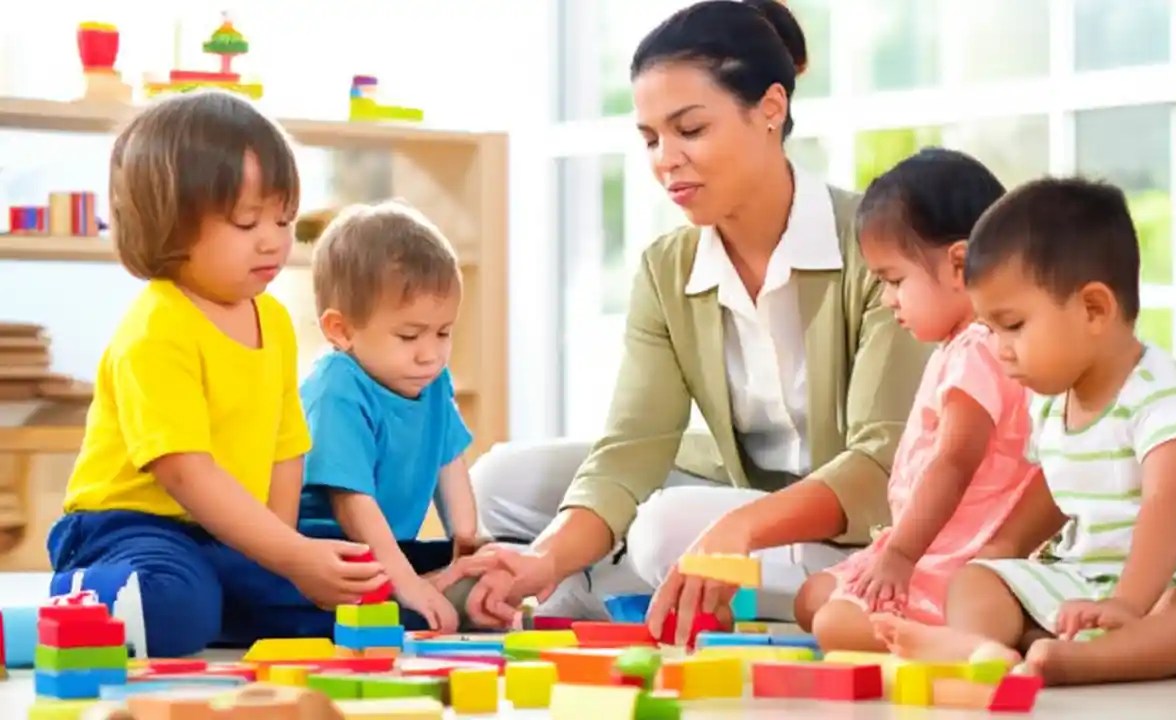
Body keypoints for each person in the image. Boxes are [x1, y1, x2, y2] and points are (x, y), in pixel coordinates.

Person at [453, 0, 932, 645]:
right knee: (501, 480)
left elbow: (879, 465)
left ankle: (630, 583)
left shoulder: (875, 246)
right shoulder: (667, 267)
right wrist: (544, 554)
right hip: (731, 495)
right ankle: (583, 581)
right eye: (651, 138)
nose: (665, 160)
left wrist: (738, 530)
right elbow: (632, 445)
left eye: (690, 130)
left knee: (663, 525)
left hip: (858, 519)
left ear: (770, 109)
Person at [871, 177, 1176, 686]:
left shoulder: (1163, 391)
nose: (1000, 350)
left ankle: (1080, 662)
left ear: (1094, 309)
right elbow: (1054, 491)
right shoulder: (1051, 403)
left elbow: (1170, 499)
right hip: (1089, 578)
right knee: (977, 579)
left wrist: (1131, 601)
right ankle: (982, 649)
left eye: (1012, 326)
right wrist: (1005, 548)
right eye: (990, 331)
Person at [45, 90, 386, 658]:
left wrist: (281, 553)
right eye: (247, 220)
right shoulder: (157, 327)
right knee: (175, 606)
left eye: (283, 217)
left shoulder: (272, 320)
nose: (273, 239)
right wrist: (286, 557)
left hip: (222, 533)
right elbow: (186, 473)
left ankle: (224, 602)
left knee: (347, 596)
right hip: (127, 527)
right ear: (170, 226)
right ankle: (77, 597)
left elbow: (285, 447)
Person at [797, 149, 1051, 652]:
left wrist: (901, 555)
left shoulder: (979, 351)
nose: (890, 299)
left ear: (959, 265)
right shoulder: (962, 348)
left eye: (895, 280)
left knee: (830, 624)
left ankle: (955, 638)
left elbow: (954, 462)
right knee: (811, 598)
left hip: (954, 557)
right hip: (927, 548)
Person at [291, 201, 481, 634]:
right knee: (407, 612)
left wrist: (467, 555)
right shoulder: (337, 386)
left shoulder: (431, 381)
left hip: (388, 549)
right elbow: (351, 503)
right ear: (341, 330)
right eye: (409, 335)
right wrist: (410, 584)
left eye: (443, 333)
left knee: (491, 570)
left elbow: (450, 466)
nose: (430, 353)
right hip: (331, 556)